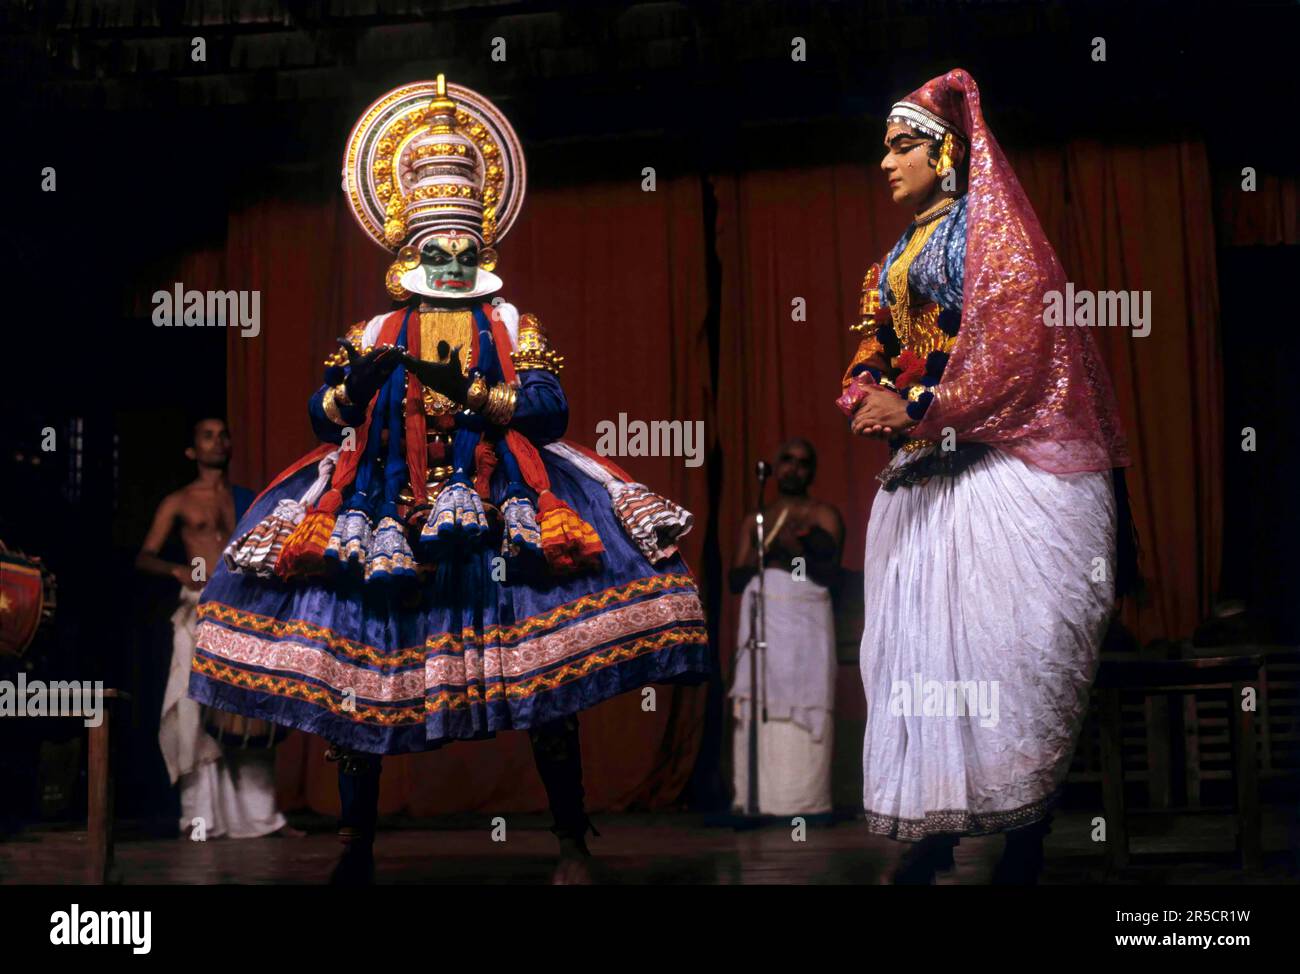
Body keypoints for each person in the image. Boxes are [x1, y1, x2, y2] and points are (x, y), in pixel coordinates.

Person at [187, 76, 708, 883]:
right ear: (410, 250)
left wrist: (476, 393)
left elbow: (549, 409)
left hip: (498, 503)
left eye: (468, 252)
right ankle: (355, 844)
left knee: (544, 682)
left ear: (484, 246)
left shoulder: (508, 322)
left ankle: (571, 840)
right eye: (440, 253)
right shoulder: (373, 330)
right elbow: (324, 418)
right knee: (361, 682)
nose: (456, 264)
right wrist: (350, 390)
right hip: (384, 508)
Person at [839, 69, 1128, 883]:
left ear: (946, 153)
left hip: (1003, 466)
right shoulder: (893, 256)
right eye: (884, 150)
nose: (886, 164)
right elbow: (871, 342)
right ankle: (935, 829)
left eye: (902, 148)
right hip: (924, 476)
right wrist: (869, 390)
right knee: (922, 656)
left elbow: (1016, 346)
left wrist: (921, 402)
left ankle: (1024, 828)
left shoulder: (991, 234)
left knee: (1005, 651)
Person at [136, 417, 298, 839]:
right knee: (194, 708)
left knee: (248, 707)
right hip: (198, 608)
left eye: (223, 434)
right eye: (207, 435)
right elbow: (144, 556)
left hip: (242, 607)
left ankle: (260, 819)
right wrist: (175, 569)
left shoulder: (249, 499)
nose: (218, 441)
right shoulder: (179, 501)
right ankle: (200, 818)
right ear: (192, 450)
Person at [728, 438, 843, 818]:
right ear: (775, 469)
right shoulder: (756, 519)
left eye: (803, 463)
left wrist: (794, 550)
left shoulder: (822, 515)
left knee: (803, 701)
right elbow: (736, 578)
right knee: (763, 705)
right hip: (766, 625)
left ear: (812, 471)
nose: (794, 469)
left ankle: (803, 804)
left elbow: (829, 577)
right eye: (787, 461)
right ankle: (756, 801)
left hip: (805, 624)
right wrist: (770, 552)